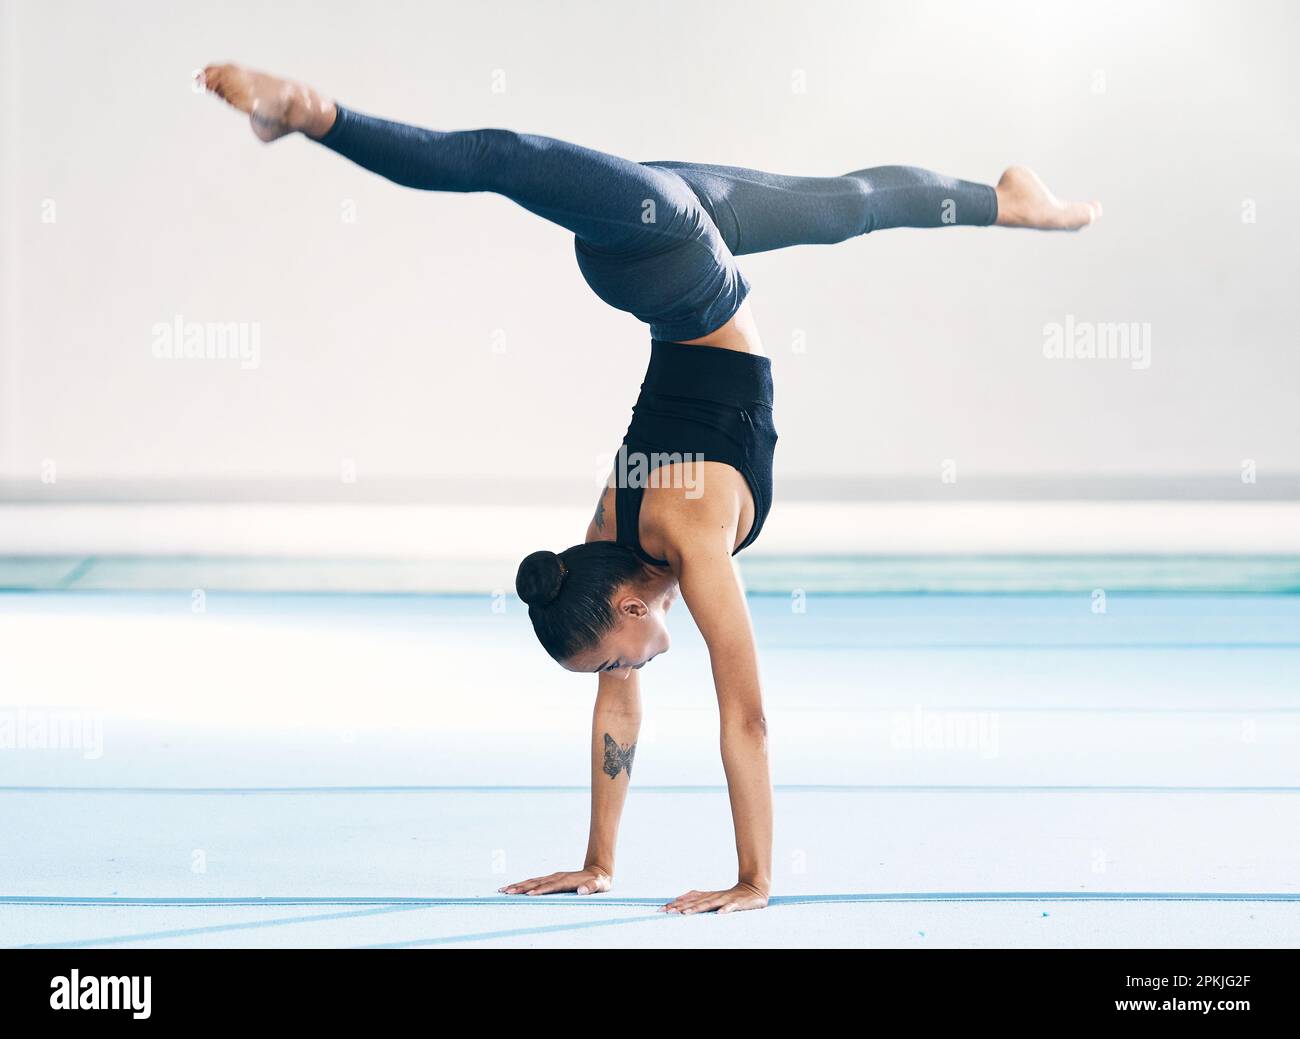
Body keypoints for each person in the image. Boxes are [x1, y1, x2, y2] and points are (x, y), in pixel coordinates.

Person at [201, 63, 1101, 914]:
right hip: (669, 250)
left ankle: (312, 112)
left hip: (671, 257)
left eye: (618, 658)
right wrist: (599, 862)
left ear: (631, 608)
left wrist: (753, 879)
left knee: (504, 159)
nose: (627, 678)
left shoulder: (687, 541)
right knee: (850, 208)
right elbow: (618, 699)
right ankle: (1007, 201)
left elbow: (744, 717)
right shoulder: (607, 537)